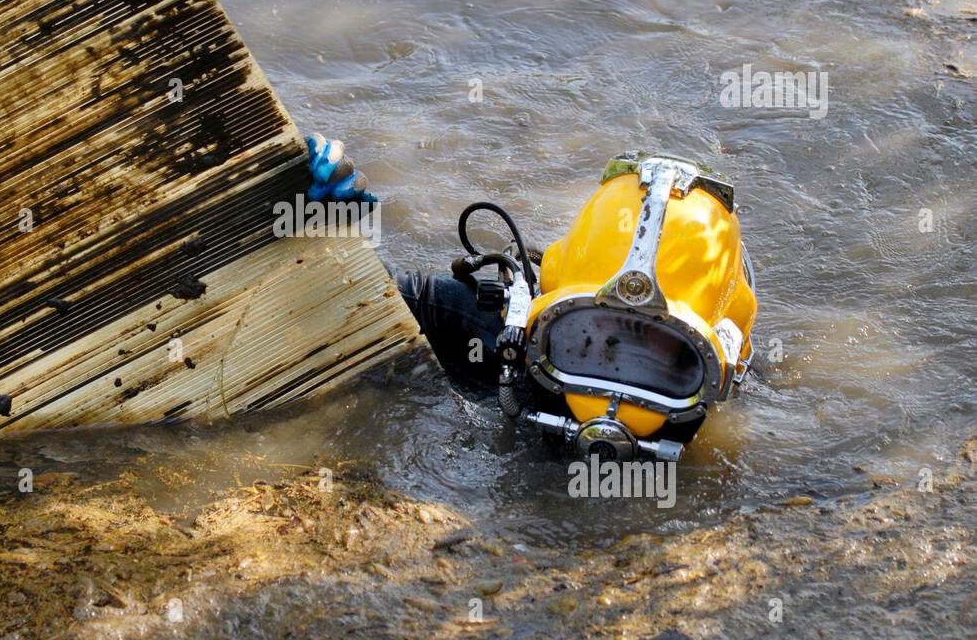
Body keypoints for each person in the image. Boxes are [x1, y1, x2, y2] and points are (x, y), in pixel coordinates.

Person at [304, 133, 758, 463]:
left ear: (723, 366)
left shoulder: (729, 414)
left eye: (663, 359)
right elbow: (377, 300)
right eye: (589, 341)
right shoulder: (505, 344)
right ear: (542, 310)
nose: (612, 394)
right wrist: (323, 236)